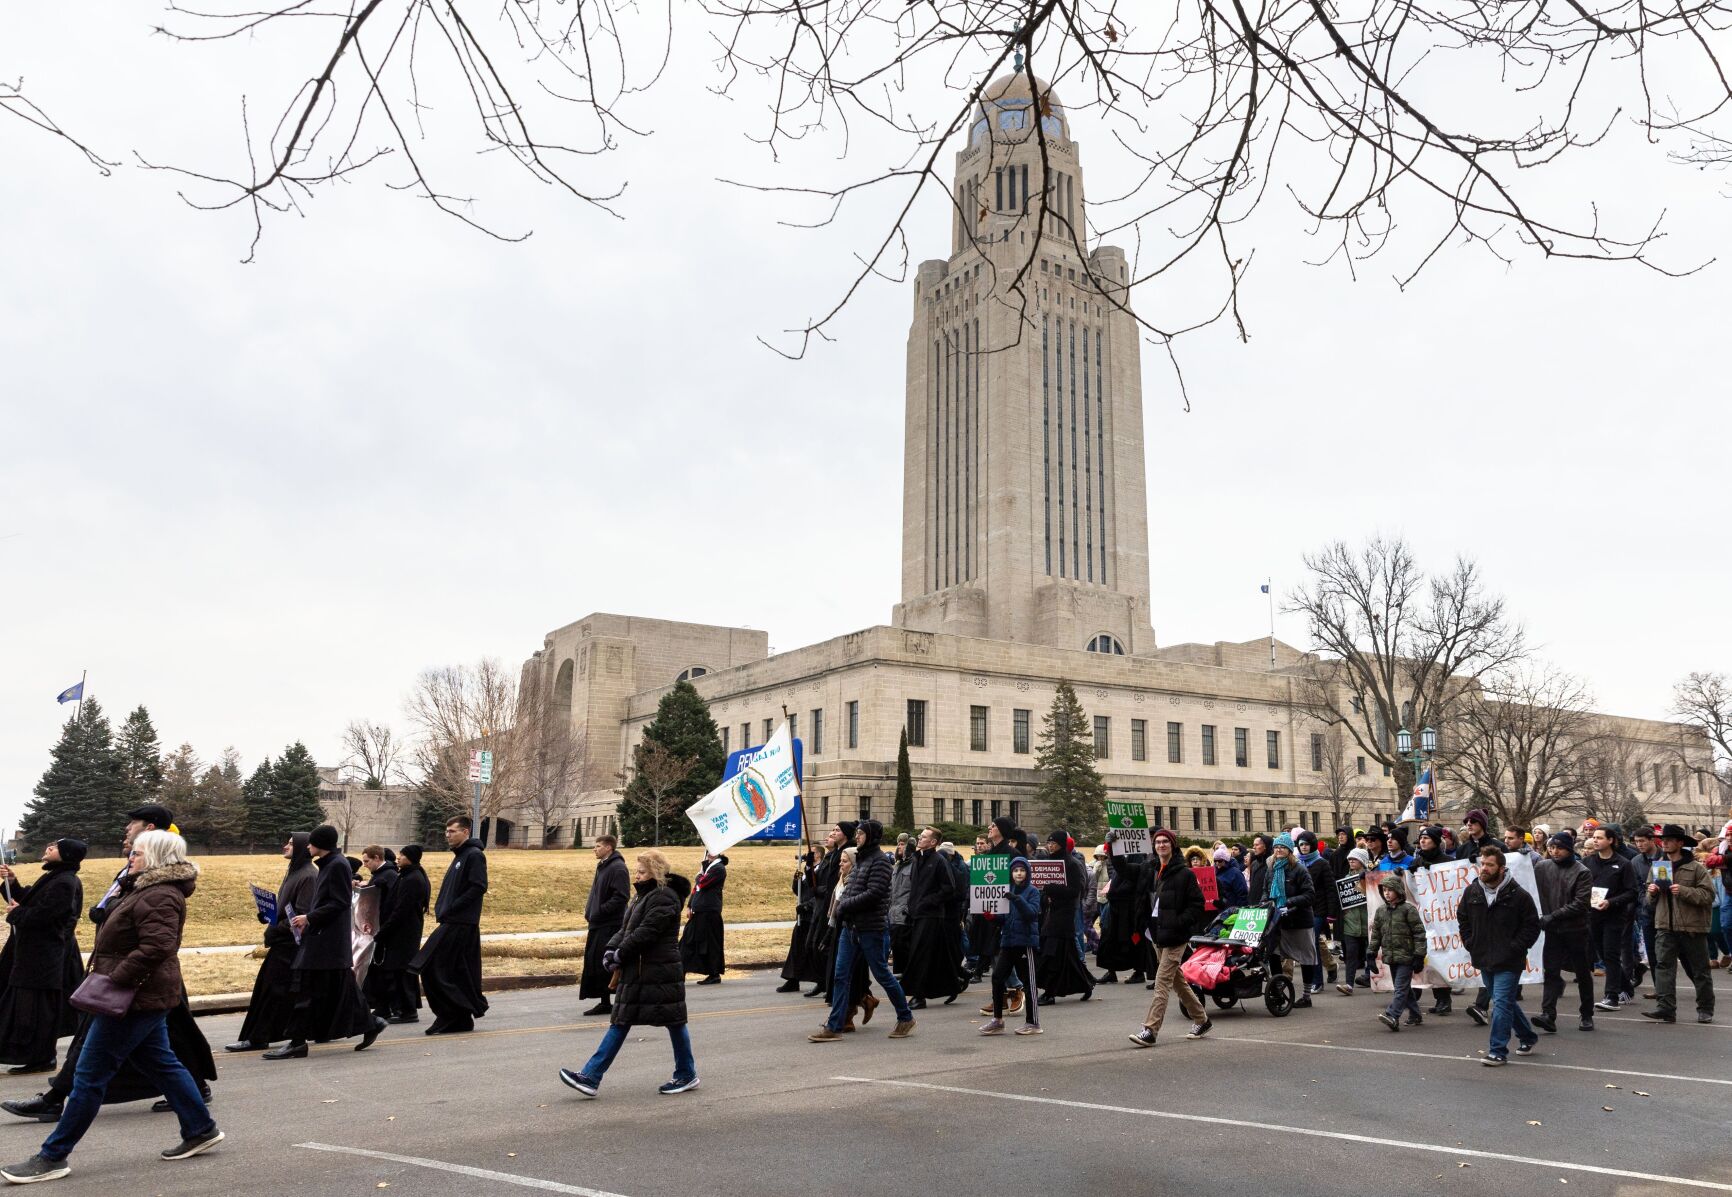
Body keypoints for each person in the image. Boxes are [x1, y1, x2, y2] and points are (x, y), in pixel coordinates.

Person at [0, 831, 221, 1184]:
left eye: (137, 853)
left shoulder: (160, 894)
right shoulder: (142, 888)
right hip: (141, 995)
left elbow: (158, 947)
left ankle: (52, 1156)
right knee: (162, 1063)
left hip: (133, 997)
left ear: (157, 857)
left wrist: (116, 980)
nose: (130, 856)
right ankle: (200, 1128)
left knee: (88, 1077)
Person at [558, 849, 699, 1096]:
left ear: (655, 872)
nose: (637, 875)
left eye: (642, 872)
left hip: (660, 971)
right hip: (640, 970)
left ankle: (686, 1074)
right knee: (623, 1021)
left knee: (673, 1022)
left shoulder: (664, 897)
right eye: (637, 871)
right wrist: (610, 949)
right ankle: (591, 1076)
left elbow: (647, 932)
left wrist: (621, 954)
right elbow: (626, 928)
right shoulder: (642, 896)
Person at [266, 825, 385, 1059]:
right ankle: (371, 1023)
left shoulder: (336, 865)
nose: (308, 846)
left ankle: (297, 1042)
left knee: (306, 988)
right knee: (340, 988)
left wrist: (309, 918)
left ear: (321, 844)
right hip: (327, 940)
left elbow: (340, 902)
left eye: (312, 842)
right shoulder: (330, 864)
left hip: (326, 940)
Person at [809, 820, 916, 1041]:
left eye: (861, 833)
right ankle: (835, 1026)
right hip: (850, 928)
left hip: (871, 929)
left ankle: (905, 1017)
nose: (857, 836)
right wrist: (843, 905)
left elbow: (875, 893)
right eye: (857, 833)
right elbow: (850, 889)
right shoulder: (861, 859)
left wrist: (845, 905)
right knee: (841, 976)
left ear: (871, 836)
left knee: (882, 975)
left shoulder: (880, 861)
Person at [0, 840, 87, 1073]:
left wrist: (17, 913)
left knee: (39, 1011)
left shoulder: (65, 882)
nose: (49, 847)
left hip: (44, 958)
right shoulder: (55, 877)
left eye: (55, 846)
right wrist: (12, 883)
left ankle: (42, 1058)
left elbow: (47, 917)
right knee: (29, 1009)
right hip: (34, 955)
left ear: (66, 854)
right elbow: (31, 901)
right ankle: (36, 1056)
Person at [226, 832, 316, 1052]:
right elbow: (287, 908)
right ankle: (260, 1036)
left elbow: (301, 915)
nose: (285, 846)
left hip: (290, 945)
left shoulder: (308, 875)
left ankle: (259, 1037)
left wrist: (276, 926)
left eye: (291, 844)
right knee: (269, 990)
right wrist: (268, 914)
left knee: (273, 992)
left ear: (302, 848)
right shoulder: (295, 871)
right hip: (281, 941)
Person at [1457, 845, 1541, 1065]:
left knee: (1501, 1003)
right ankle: (1527, 1036)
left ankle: (1497, 1050)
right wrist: (1470, 942)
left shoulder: (1519, 895)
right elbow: (1463, 918)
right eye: (1482, 864)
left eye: (1490, 865)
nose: (1484, 868)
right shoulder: (1472, 891)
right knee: (1504, 1001)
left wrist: (1516, 947)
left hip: (1509, 960)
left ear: (1502, 869)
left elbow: (1532, 926)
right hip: (1483, 957)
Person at [1127, 829, 1211, 1047]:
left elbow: (1197, 904)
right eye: (1158, 842)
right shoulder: (1154, 870)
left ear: (1173, 846)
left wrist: (1179, 922)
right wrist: (1112, 850)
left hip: (1176, 936)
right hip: (1158, 933)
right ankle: (1202, 1019)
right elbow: (1125, 871)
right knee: (1177, 981)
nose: (1161, 845)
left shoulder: (1185, 874)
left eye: (1165, 841)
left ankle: (1150, 1030)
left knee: (1162, 982)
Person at [410, 815, 489, 1035]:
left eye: (452, 831)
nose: (448, 835)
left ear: (466, 832)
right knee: (453, 971)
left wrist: (453, 907)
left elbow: (478, 886)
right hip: (452, 920)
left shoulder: (473, 855)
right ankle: (458, 1018)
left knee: (431, 965)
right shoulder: (460, 855)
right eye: (446, 831)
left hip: (460, 923)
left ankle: (452, 1015)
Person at [1642, 824, 1715, 1025]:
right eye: (1662, 840)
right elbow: (1648, 900)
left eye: (1669, 840)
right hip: (1665, 926)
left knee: (1700, 970)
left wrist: (1683, 891)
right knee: (1663, 967)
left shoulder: (1696, 868)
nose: (1664, 843)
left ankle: (1705, 1009)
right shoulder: (1658, 866)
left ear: (1680, 843)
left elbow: (1708, 895)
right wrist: (1652, 892)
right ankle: (1666, 1009)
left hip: (1692, 927)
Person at [1527, 830, 1595, 1034]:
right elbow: (1527, 885)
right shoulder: (1542, 867)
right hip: (1553, 930)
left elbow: (1580, 903)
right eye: (1552, 847)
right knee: (1551, 972)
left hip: (1576, 930)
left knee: (1582, 972)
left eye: (1559, 848)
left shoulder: (1582, 872)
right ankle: (1548, 1014)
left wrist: (1553, 916)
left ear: (1569, 849)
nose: (1555, 851)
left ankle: (1586, 1014)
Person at [1250, 833, 1316, 1008]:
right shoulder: (1271, 868)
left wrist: (1289, 902)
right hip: (1279, 921)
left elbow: (1309, 895)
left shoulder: (1299, 869)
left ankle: (1306, 996)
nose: (1278, 850)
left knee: (1306, 958)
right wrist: (1264, 902)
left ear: (1289, 850)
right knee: (1273, 953)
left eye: (1282, 847)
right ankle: (1278, 989)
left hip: (1299, 921)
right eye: (1276, 847)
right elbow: (1266, 890)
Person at [979, 856, 1041, 1036]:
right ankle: (998, 1020)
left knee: (1029, 983)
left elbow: (1031, 914)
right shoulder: (1007, 890)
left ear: (1027, 873)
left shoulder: (1032, 891)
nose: (1019, 873)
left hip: (1026, 944)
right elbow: (1004, 918)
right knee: (997, 978)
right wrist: (992, 917)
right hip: (1008, 942)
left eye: (1022, 870)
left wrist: (1016, 899)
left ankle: (1033, 1023)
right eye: (1015, 870)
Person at [901, 828, 963, 1008]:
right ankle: (955, 982)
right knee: (937, 955)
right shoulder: (917, 859)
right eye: (920, 836)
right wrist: (912, 906)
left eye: (924, 837)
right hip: (916, 914)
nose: (920, 838)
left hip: (932, 915)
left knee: (920, 955)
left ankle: (919, 996)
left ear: (933, 842)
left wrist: (928, 902)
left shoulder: (939, 861)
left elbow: (949, 888)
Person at [1037, 829, 1095, 1005]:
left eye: (1053, 843)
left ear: (1061, 844)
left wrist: (1051, 890)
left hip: (1064, 916)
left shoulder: (1071, 864)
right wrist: (1045, 895)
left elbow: (1075, 891)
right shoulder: (1049, 863)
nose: (1050, 846)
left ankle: (1050, 992)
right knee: (1068, 957)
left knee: (1052, 954)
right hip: (1051, 913)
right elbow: (1043, 887)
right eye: (1048, 843)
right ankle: (1086, 983)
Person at [372, 845, 428, 1025]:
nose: (398, 858)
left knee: (402, 972)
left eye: (402, 855)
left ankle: (408, 1011)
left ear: (411, 857)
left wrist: (384, 931)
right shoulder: (406, 875)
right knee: (395, 971)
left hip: (404, 933)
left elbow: (401, 909)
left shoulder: (413, 879)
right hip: (400, 931)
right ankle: (396, 1008)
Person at [1584, 825, 1636, 1012]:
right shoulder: (1588, 862)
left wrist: (1611, 902)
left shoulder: (1623, 864)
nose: (1595, 840)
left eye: (1599, 837)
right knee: (1603, 954)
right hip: (1593, 915)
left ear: (1611, 840)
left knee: (1611, 954)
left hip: (1614, 916)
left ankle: (1611, 997)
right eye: (1594, 837)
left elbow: (1632, 892)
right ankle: (1627, 987)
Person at [581, 836, 632, 1014]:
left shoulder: (618, 868)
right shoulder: (603, 866)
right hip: (598, 923)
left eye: (598, 846)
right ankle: (605, 1001)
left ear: (609, 847)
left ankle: (614, 1000)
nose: (594, 849)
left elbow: (621, 896)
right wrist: (590, 911)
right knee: (596, 962)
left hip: (610, 925)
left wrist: (600, 911)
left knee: (606, 963)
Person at [1369, 874, 1425, 1031]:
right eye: (1384, 890)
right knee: (1404, 988)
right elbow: (1376, 935)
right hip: (1391, 956)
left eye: (1390, 890)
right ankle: (1415, 1015)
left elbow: (1419, 934)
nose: (1386, 893)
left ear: (1398, 891)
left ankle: (1392, 1015)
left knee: (1400, 988)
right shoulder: (1381, 911)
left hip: (1407, 957)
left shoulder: (1408, 910)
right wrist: (1371, 954)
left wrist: (1419, 955)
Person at [1410, 826, 1453, 1015]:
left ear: (1436, 841)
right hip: (1423, 916)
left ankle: (1444, 999)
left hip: (1442, 917)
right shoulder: (1417, 861)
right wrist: (1405, 874)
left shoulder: (1448, 861)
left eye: (1426, 838)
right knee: (1422, 956)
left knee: (1440, 957)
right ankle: (1414, 996)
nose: (1422, 841)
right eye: (1421, 838)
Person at [804, 824, 851, 1000]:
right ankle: (823, 981)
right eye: (832, 831)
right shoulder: (829, 858)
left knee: (824, 947)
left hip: (833, 907)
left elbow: (831, 884)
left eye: (835, 832)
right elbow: (813, 883)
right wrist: (809, 866)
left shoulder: (844, 854)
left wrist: (821, 891)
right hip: (822, 907)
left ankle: (829, 983)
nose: (830, 834)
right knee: (812, 945)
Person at [1096, 834, 1150, 985]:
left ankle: (1139, 971)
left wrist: (1119, 891)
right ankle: (1111, 971)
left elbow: (1129, 873)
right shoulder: (1121, 854)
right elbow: (1118, 868)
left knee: (1133, 940)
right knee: (1109, 938)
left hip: (1129, 908)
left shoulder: (1138, 856)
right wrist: (1112, 846)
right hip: (1115, 906)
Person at [1295, 831, 1339, 993]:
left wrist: (1331, 913)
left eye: (1306, 844)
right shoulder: (1297, 863)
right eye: (1301, 844)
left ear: (1312, 845)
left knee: (1311, 943)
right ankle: (1326, 970)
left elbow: (1330, 889)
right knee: (1307, 944)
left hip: (1319, 910)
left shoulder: (1322, 863)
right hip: (1302, 910)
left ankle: (1317, 981)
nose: (1304, 847)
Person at [778, 846, 823, 994]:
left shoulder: (820, 871)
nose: (808, 854)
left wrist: (807, 906)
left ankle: (821, 980)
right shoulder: (806, 871)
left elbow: (819, 895)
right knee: (797, 947)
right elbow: (798, 891)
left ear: (818, 855)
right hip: (802, 917)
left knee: (811, 948)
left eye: (812, 852)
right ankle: (793, 979)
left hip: (813, 915)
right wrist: (796, 879)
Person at [681, 852, 728, 985]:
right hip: (699, 911)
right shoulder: (707, 868)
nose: (709, 854)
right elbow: (696, 889)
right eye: (708, 852)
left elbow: (702, 883)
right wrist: (690, 906)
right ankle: (681, 971)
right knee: (687, 941)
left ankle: (714, 974)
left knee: (711, 944)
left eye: (713, 852)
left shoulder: (719, 869)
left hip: (710, 911)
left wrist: (699, 875)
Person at [1334, 849, 1371, 994]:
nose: (1351, 861)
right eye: (1349, 859)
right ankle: (1349, 985)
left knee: (1371, 954)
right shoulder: (1346, 879)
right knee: (1351, 954)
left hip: (1368, 921)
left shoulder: (1371, 877)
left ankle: (1376, 980)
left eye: (1354, 859)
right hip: (1351, 922)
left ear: (1362, 861)